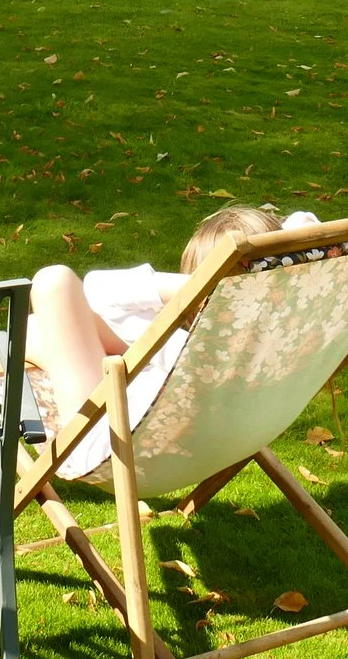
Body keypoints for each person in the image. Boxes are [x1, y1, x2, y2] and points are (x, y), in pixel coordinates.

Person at [25, 203, 313, 477]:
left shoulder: (184, 351)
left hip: (107, 442)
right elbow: (308, 222)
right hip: (203, 441)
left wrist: (198, 287)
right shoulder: (285, 337)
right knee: (46, 324)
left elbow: (96, 289)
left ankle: (11, 351)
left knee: (54, 284)